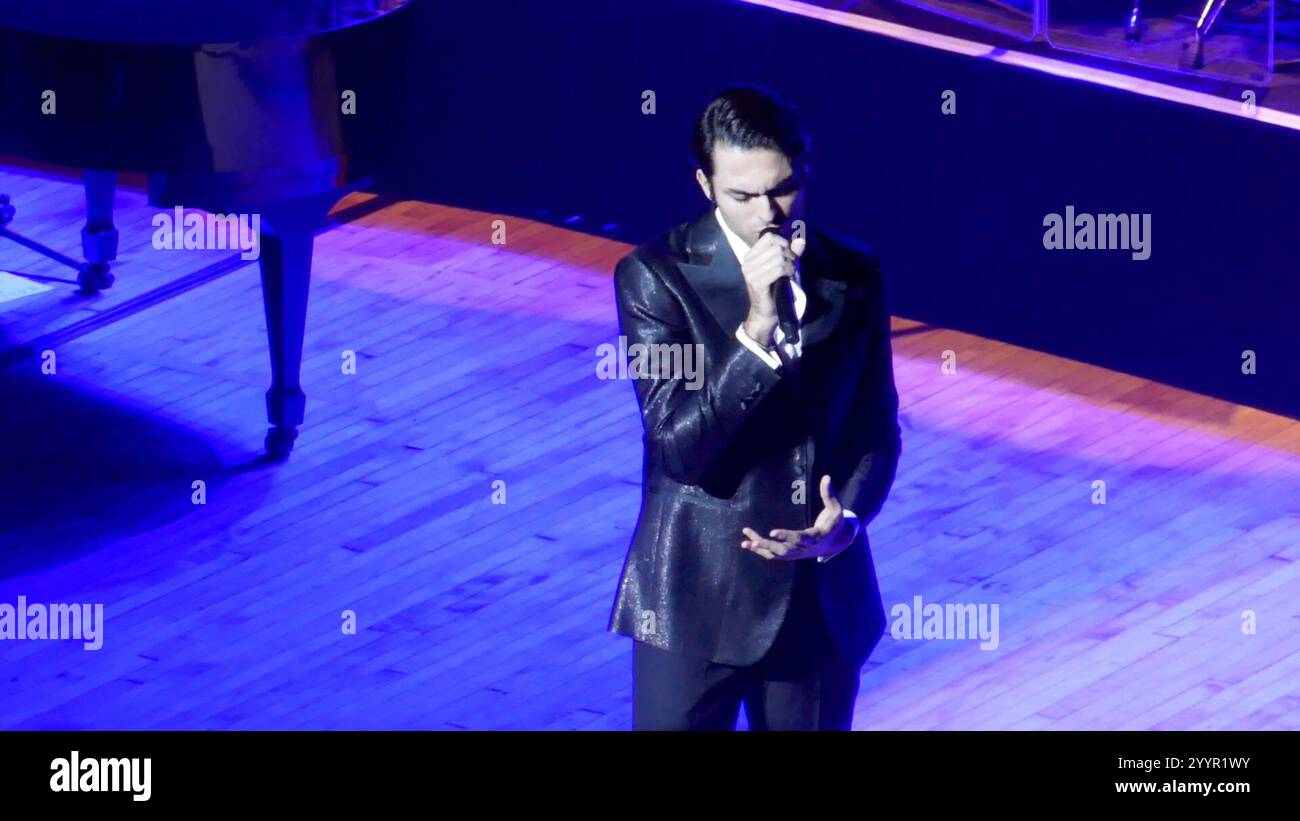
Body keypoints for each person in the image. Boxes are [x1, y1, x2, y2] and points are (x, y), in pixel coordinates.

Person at [607, 84, 902, 730]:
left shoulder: (855, 273)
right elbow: (679, 448)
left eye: (783, 188)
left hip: (815, 595)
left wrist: (848, 515)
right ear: (705, 186)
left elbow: (878, 426)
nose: (768, 212)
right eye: (743, 195)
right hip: (692, 597)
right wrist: (756, 332)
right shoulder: (655, 278)